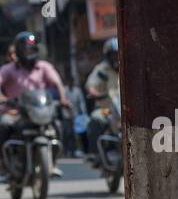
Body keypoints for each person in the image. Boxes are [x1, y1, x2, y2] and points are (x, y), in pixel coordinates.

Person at [0, 31, 70, 179]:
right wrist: (3, 97)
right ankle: (4, 164)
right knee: (4, 124)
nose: (29, 53)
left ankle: (53, 162)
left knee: (57, 125)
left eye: (31, 49)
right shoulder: (8, 69)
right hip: (15, 112)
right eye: (26, 49)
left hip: (40, 111)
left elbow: (57, 83)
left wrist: (63, 99)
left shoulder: (44, 67)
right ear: (19, 51)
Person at [83, 38, 120, 168]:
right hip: (107, 109)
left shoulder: (128, 67)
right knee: (95, 119)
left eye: (118, 53)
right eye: (113, 54)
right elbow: (91, 84)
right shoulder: (101, 70)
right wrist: (93, 92)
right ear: (108, 55)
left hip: (124, 110)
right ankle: (95, 154)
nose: (116, 57)